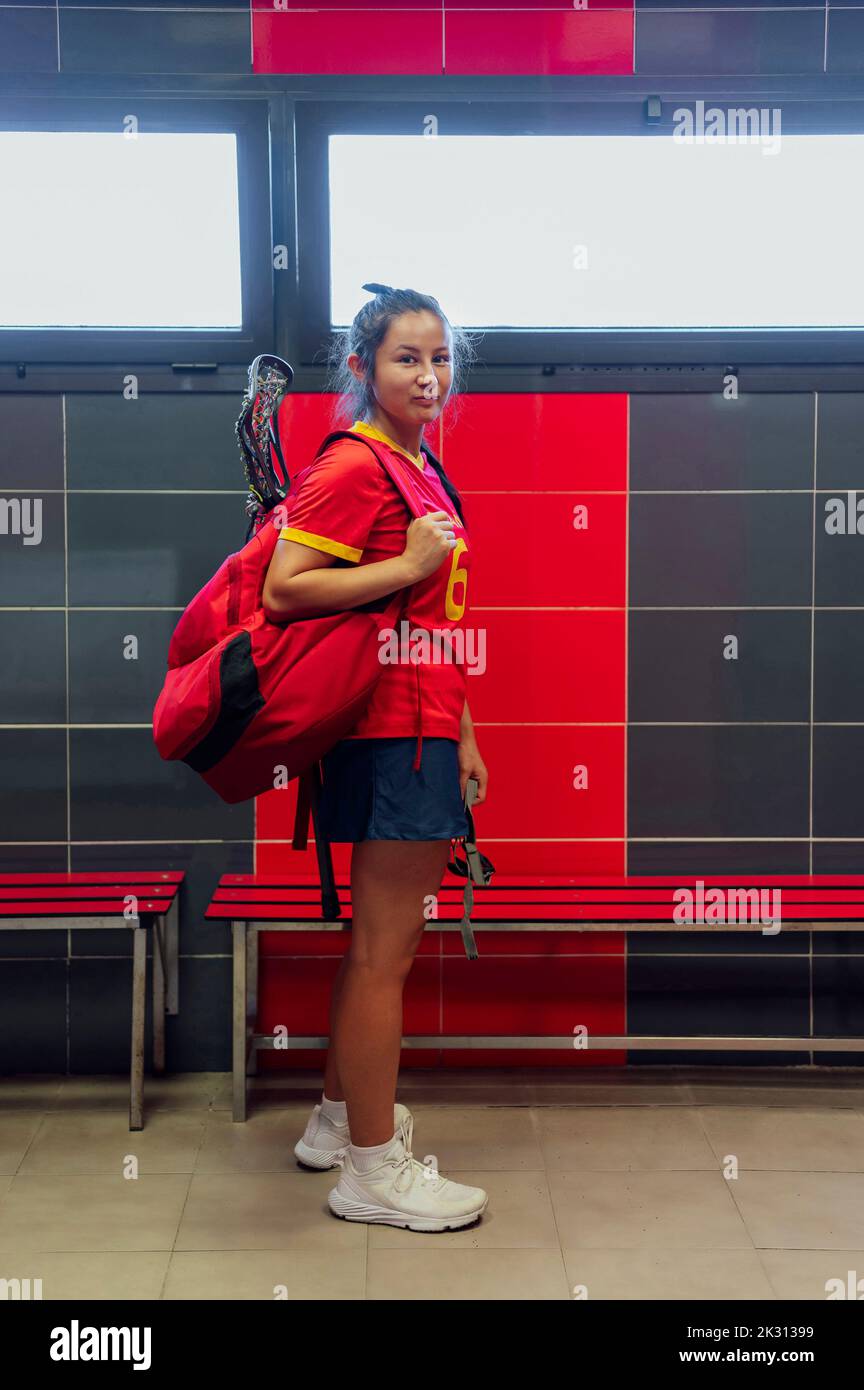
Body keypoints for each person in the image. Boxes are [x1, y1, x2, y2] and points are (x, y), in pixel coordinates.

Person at [262, 283, 490, 1232]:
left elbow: (436, 616)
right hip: (389, 735)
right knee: (385, 953)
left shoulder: (418, 464)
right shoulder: (356, 465)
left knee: (377, 946)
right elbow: (284, 589)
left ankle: (330, 1119)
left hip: (425, 723)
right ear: (363, 369)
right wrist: (405, 566)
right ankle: (370, 1170)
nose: (430, 375)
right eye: (407, 358)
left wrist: (467, 730)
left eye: (440, 358)